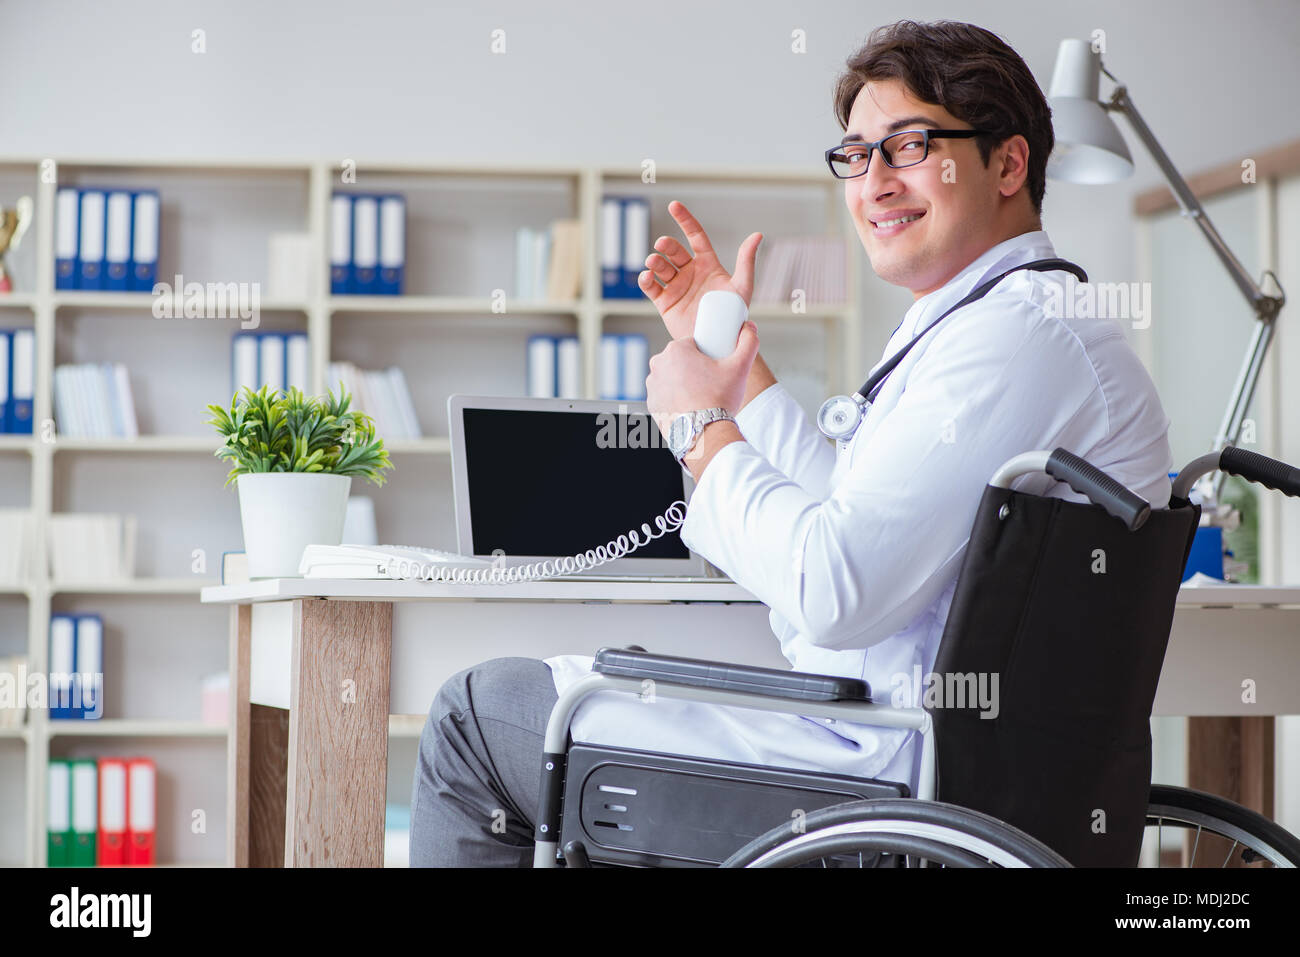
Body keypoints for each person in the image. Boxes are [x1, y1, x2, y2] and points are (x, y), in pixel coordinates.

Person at [409, 18, 1173, 867]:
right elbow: (856, 512)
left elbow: (833, 587)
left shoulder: (1014, 340)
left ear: (1008, 162)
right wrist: (741, 378)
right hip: (914, 761)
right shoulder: (1006, 323)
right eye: (854, 155)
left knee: (477, 715)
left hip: (883, 784)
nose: (873, 182)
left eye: (908, 146)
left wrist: (700, 430)